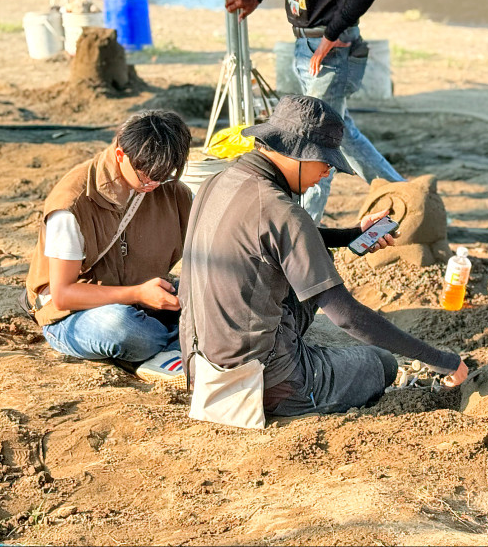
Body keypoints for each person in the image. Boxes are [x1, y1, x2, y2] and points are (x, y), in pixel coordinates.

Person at [179, 95, 467, 418]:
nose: (328, 173)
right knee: (381, 364)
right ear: (300, 153)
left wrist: (350, 235)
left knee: (318, 260)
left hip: (199, 364)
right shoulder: (282, 210)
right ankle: (298, 377)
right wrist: (443, 361)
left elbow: (271, 240)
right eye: (325, 161)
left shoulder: (216, 182)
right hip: (260, 384)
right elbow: (347, 316)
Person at [225, 0, 405, 225]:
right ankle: (403, 193)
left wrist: (332, 34)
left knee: (313, 142)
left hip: (329, 50)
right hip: (306, 46)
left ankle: (303, 228)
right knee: (341, 132)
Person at [23, 110, 193, 387]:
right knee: (122, 328)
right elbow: (63, 295)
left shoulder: (171, 189)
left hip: (145, 301)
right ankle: (168, 342)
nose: (152, 184)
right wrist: (138, 293)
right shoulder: (72, 204)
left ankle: (162, 343)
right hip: (76, 315)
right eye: (146, 176)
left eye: (162, 176)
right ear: (120, 155)